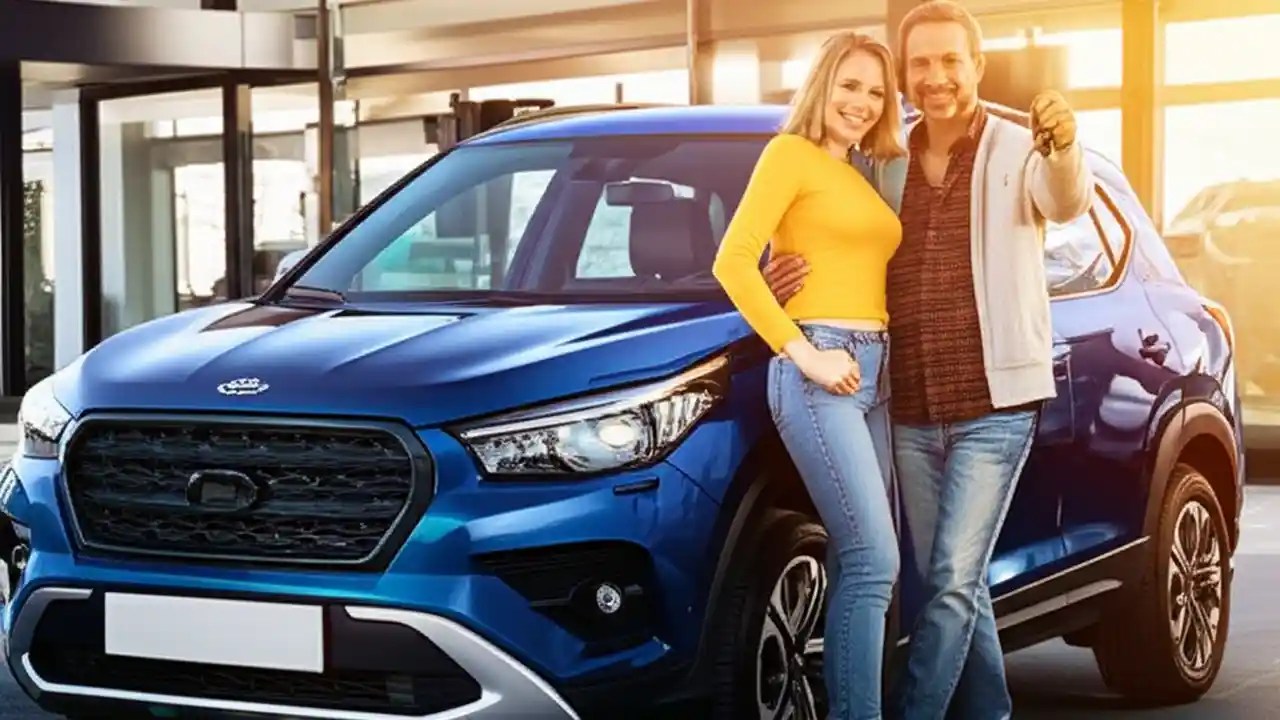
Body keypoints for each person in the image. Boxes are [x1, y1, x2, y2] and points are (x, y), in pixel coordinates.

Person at [760, 2, 1094, 718]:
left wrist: (1064, 146)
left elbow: (1062, 200)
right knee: (950, 582)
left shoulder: (1017, 147)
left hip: (993, 408)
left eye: (951, 61)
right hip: (904, 402)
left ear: (977, 65)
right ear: (905, 74)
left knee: (946, 578)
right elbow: (837, 230)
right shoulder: (888, 158)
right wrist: (778, 265)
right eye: (920, 64)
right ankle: (991, 710)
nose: (935, 77)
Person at [710, 31, 907, 720]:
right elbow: (733, 261)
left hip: (875, 372)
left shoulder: (861, 174)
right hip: (822, 367)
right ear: (822, 84)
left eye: (876, 92)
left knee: (869, 566)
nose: (861, 102)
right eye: (849, 85)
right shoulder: (787, 154)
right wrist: (805, 352)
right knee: (873, 558)